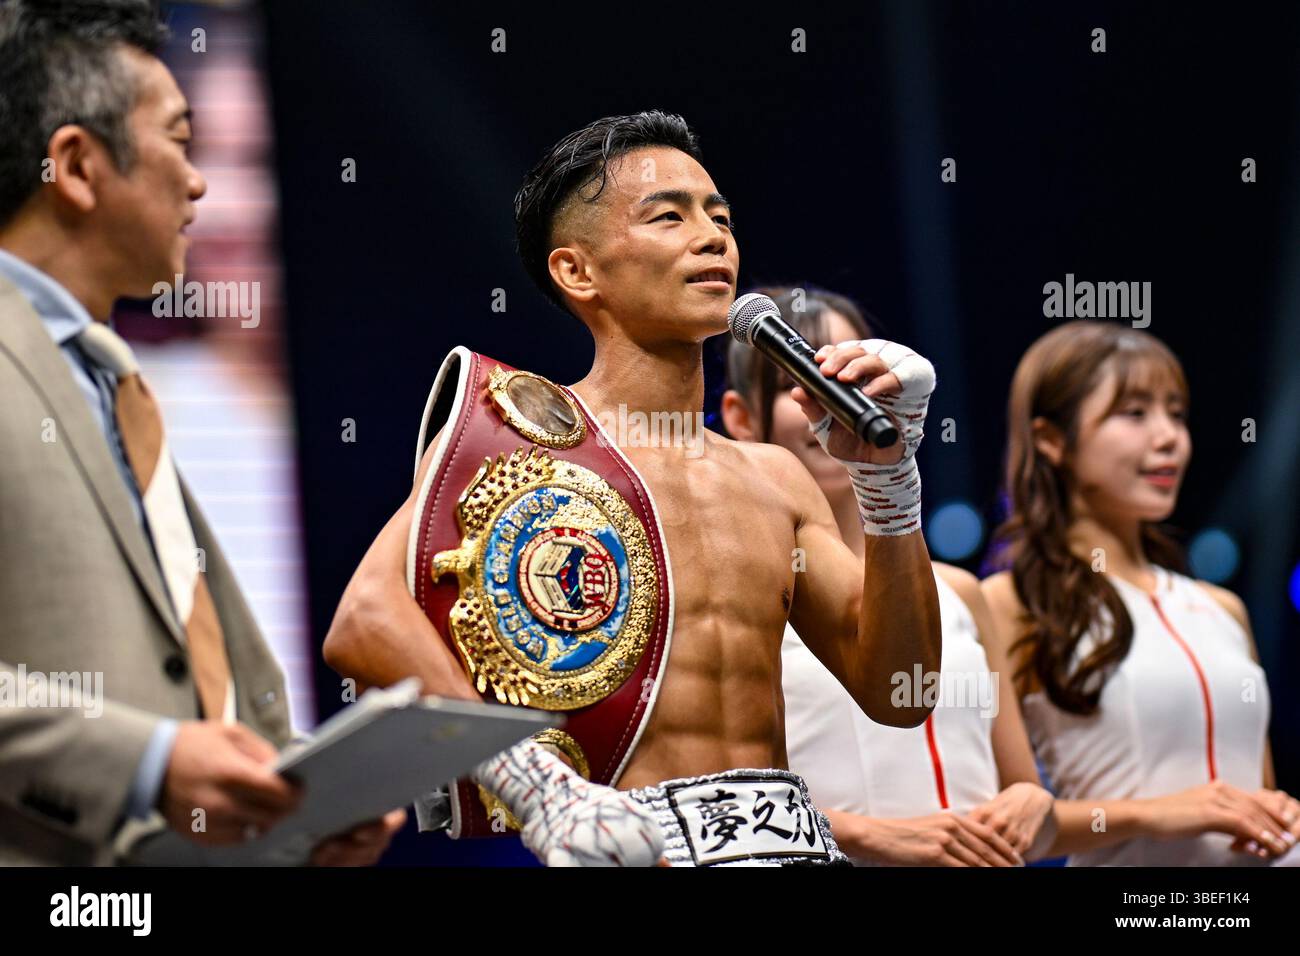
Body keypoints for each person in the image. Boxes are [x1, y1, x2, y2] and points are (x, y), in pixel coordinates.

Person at [323, 111, 944, 866]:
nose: (712, 236)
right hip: (623, 849)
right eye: (668, 216)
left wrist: (889, 484)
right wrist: (534, 786)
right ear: (578, 272)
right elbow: (363, 623)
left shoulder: (776, 480)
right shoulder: (520, 442)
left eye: (720, 217)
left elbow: (901, 694)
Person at [0, 0, 401, 866]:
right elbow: (157, 754)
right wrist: (147, 764)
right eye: (182, 141)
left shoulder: (108, 377)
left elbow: (180, 685)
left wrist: (290, 795)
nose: (200, 183)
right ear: (75, 165)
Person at [722, 287, 1057, 866]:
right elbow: (712, 799)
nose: (829, 396)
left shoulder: (961, 592)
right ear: (742, 418)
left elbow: (1025, 789)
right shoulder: (739, 594)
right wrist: (875, 835)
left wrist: (1033, 803)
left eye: (849, 369)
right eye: (799, 375)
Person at [980, 320, 1300, 865]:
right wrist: (1159, 812)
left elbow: (1257, 792)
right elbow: (1005, 824)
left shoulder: (1223, 608)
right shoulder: (1005, 603)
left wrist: (1282, 810)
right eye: (1134, 413)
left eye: (1176, 413)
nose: (1168, 436)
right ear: (1051, 440)